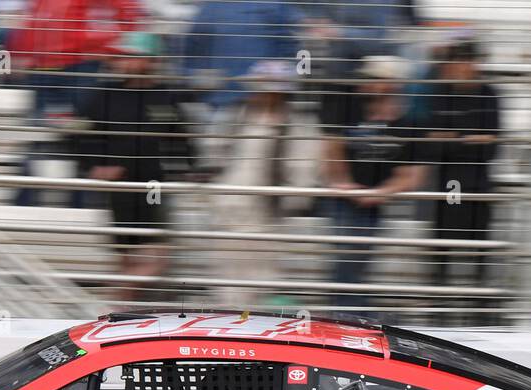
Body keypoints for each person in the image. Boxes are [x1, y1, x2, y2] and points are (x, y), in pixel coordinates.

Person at [75, 33, 197, 302]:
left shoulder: (166, 98)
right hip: (120, 191)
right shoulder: (104, 96)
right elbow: (78, 135)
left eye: (128, 56)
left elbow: (183, 141)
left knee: (155, 256)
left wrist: (189, 170)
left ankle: (118, 304)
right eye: (120, 56)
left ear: (149, 61)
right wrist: (94, 166)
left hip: (154, 188)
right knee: (128, 259)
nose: (120, 61)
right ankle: (119, 309)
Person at [203, 60, 319, 305]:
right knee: (225, 274)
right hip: (228, 208)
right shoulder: (235, 115)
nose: (259, 93)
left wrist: (291, 200)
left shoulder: (297, 125)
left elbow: (303, 169)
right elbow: (213, 150)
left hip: (266, 215)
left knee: (263, 276)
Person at [320, 55, 430, 311]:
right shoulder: (349, 108)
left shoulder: (408, 123)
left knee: (356, 261)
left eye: (374, 79)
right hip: (344, 198)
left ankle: (350, 313)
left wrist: (380, 192)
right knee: (347, 260)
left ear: (393, 85)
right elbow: (330, 150)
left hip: (372, 202)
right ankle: (347, 313)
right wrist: (343, 183)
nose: (366, 84)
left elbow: (412, 175)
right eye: (367, 79)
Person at [9, 0, 144, 206]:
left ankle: (79, 202)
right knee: (39, 135)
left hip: (79, 66)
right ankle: (25, 200)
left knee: (79, 136)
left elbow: (129, 16)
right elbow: (34, 15)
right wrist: (20, 52)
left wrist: (107, 48)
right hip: (45, 68)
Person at [426, 37, 501, 320]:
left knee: (479, 258)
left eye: (461, 60)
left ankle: (479, 318)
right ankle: (439, 318)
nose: (455, 67)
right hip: (446, 188)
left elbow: (492, 145)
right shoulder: (442, 94)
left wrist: (454, 139)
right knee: (440, 258)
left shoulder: (489, 94)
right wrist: (468, 139)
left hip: (478, 188)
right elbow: (433, 143)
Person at [180, 1, 303, 112]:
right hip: (237, 98)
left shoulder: (210, 7)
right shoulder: (211, 7)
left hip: (253, 99)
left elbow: (193, 48)